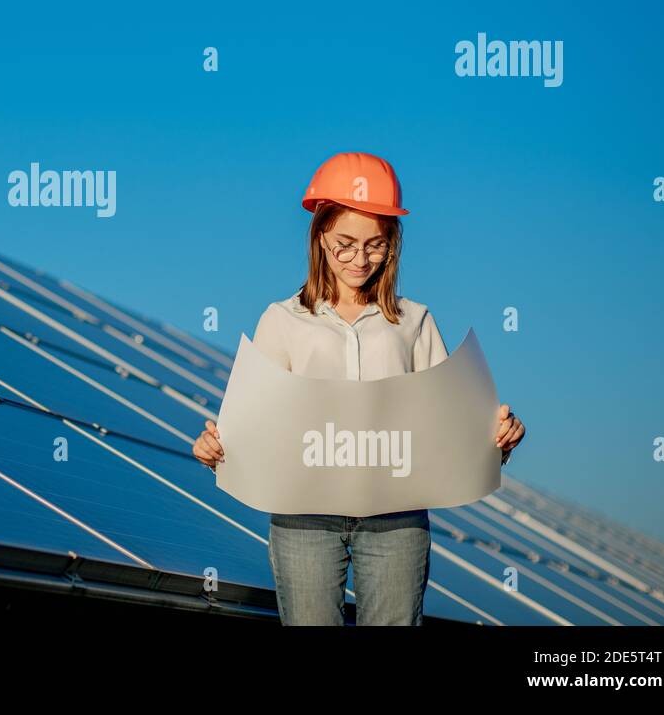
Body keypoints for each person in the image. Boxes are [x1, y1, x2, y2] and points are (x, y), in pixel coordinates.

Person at [192, 151, 525, 625]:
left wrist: (499, 439)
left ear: (393, 245)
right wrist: (215, 447)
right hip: (303, 516)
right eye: (345, 243)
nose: (360, 259)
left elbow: (452, 423)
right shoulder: (283, 321)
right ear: (319, 235)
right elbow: (253, 422)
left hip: (396, 517)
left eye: (376, 245)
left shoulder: (415, 322)